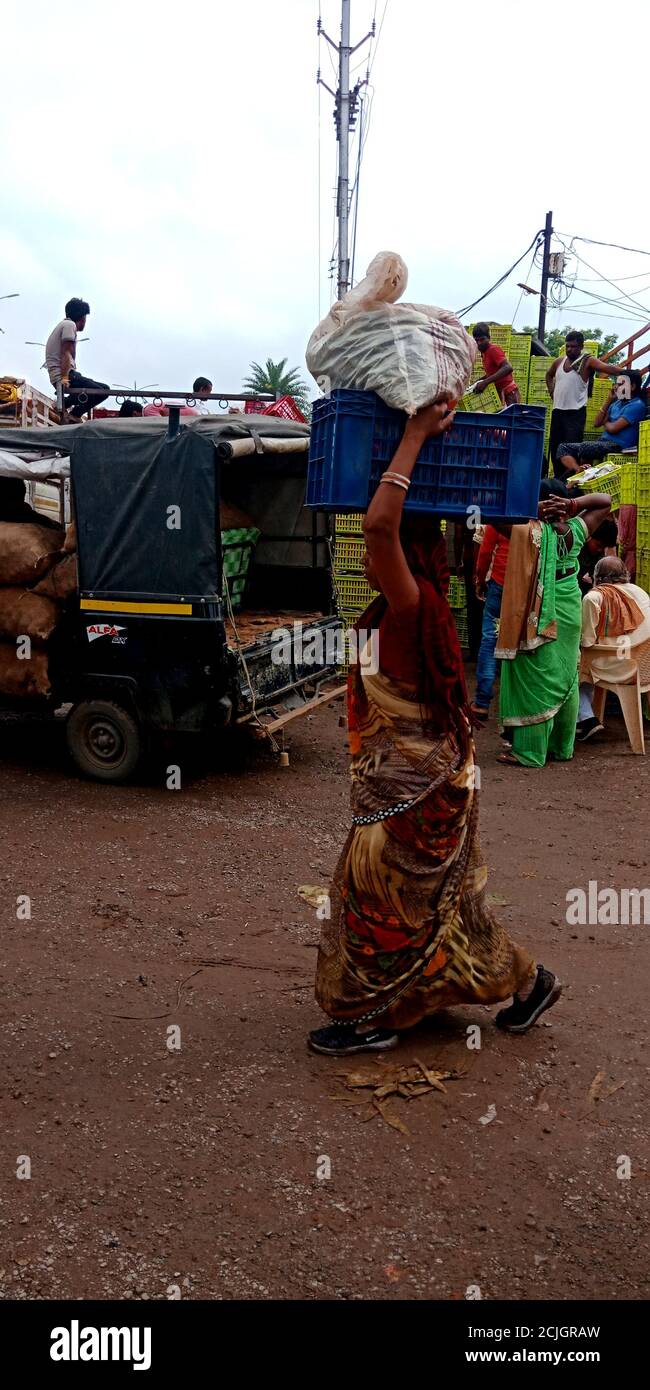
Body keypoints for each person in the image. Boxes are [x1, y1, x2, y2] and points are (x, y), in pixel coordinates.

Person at [308, 400, 562, 1056]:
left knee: (384, 900)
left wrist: (417, 433)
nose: (369, 559)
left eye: (381, 552)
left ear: (402, 553)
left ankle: (382, 1018)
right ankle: (528, 981)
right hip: (421, 784)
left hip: (414, 795)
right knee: (448, 902)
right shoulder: (409, 607)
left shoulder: (410, 604)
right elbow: (391, 532)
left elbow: (378, 529)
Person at [496, 481, 612, 767]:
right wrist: (572, 505)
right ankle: (562, 746)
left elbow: (491, 512)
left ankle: (530, 751)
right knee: (565, 675)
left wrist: (531, 510)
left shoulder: (526, 531)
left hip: (536, 614)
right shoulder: (576, 529)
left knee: (535, 676)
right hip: (570, 609)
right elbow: (605, 501)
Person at [577, 555, 650, 741]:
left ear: (598, 577)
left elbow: (587, 641)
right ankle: (587, 719)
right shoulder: (640, 592)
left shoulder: (594, 597)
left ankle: (586, 720)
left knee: (571, 666)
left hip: (615, 665)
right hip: (643, 665)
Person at [546, 331, 623, 476]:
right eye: (567, 346)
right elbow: (548, 375)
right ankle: (557, 480)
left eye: (573, 346)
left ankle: (570, 482)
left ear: (581, 347)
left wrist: (629, 372)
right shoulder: (558, 362)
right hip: (557, 413)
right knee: (555, 449)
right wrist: (552, 391)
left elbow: (607, 368)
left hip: (575, 414)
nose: (569, 349)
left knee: (571, 451)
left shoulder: (587, 361)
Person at [556, 370, 647, 478]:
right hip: (603, 442)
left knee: (586, 447)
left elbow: (613, 428)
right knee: (563, 447)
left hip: (618, 445)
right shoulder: (616, 403)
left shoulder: (637, 405)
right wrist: (608, 400)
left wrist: (606, 421)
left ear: (632, 387)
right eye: (616, 384)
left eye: (620, 384)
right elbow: (597, 422)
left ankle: (580, 475)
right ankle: (579, 471)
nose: (616, 387)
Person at [44, 298, 110, 421]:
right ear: (82, 317)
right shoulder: (70, 325)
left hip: (68, 373)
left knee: (105, 389)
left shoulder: (65, 325)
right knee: (101, 391)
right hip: (65, 374)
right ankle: (70, 409)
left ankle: (72, 411)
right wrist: (64, 378)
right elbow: (66, 353)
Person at [471, 523, 511, 723]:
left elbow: (485, 553)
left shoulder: (499, 518)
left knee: (490, 639)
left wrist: (480, 579)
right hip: (526, 588)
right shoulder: (537, 520)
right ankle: (513, 705)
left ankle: (482, 702)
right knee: (520, 643)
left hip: (499, 585)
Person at [472, 323, 520, 405]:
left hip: (509, 393)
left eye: (482, 339)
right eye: (476, 340)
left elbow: (508, 368)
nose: (479, 343)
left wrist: (485, 382)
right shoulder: (484, 354)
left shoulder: (493, 350)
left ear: (489, 338)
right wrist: (477, 382)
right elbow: (492, 374)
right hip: (499, 394)